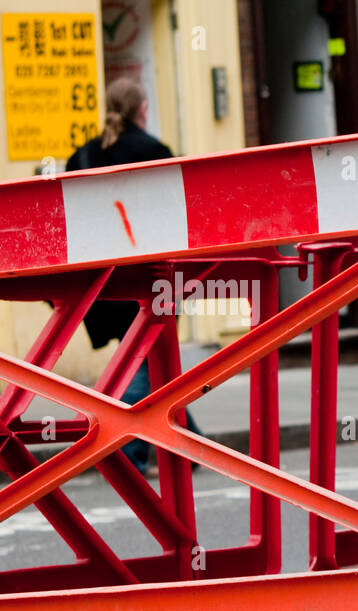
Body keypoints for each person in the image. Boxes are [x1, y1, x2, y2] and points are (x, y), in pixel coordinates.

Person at [66, 78, 197, 474]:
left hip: (100, 280)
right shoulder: (151, 151)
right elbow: (175, 212)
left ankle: (188, 440)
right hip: (147, 274)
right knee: (142, 360)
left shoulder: (83, 155)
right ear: (141, 109)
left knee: (149, 357)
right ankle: (125, 452)